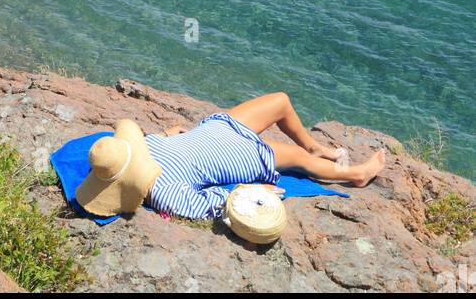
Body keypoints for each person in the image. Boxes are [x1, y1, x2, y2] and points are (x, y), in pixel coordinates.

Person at [76, 92, 386, 221]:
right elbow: (210, 204)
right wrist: (250, 193)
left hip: (214, 130)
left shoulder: (138, 147)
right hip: (236, 155)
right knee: (298, 161)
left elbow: (157, 141)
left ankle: (314, 144)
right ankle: (356, 174)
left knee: (280, 101)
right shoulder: (162, 192)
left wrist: (172, 135)